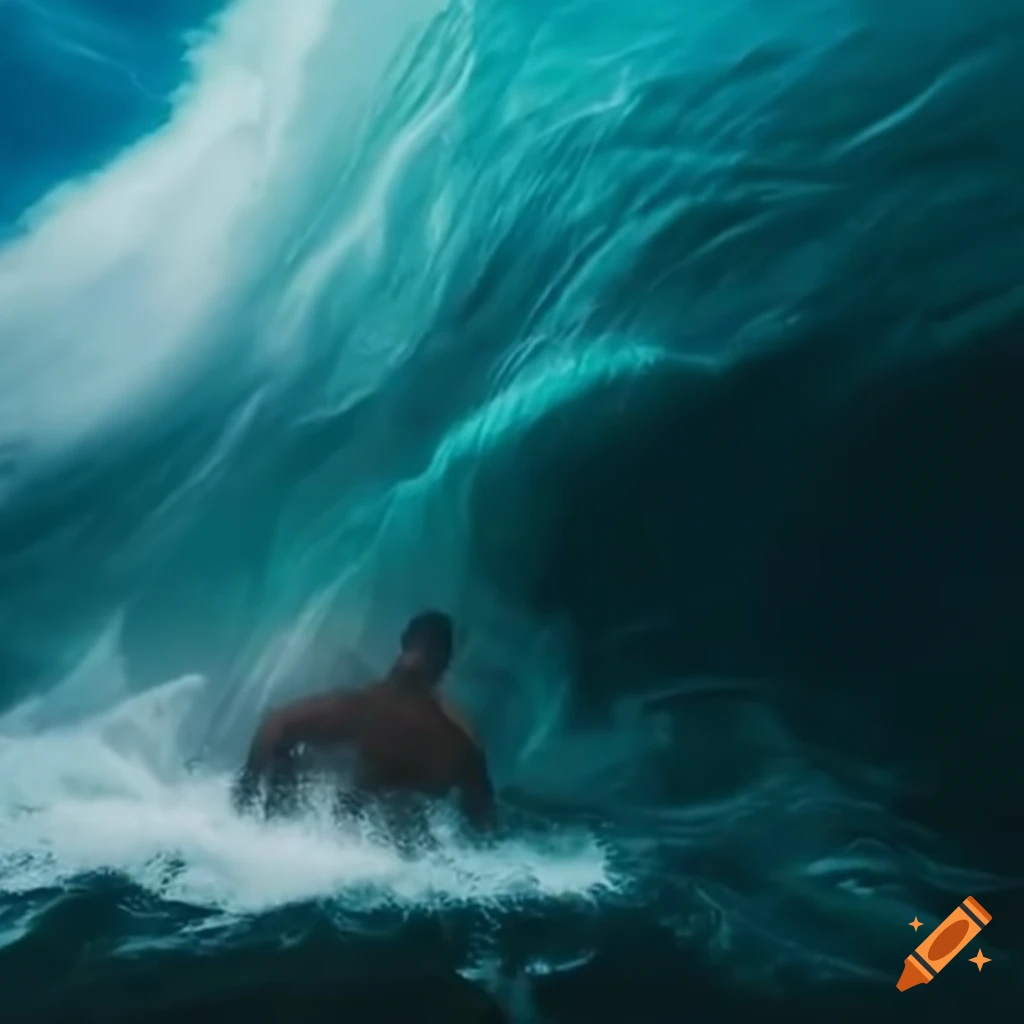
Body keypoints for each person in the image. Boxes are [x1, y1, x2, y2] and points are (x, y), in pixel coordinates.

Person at [232, 611, 496, 834]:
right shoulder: (461, 740)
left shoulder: (360, 707)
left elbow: (274, 725)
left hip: (333, 836)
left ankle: (271, 820)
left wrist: (245, 802)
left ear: (404, 642)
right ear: (448, 659)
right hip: (399, 853)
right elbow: (483, 826)